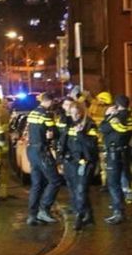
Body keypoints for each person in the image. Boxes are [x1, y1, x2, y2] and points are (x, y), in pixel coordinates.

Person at [25, 91, 62, 225]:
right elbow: (54, 132)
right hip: (42, 151)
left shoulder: (32, 113)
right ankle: (44, 210)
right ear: (49, 101)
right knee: (55, 181)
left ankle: (32, 215)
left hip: (31, 150)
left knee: (37, 184)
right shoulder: (46, 115)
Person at [64, 99, 99, 230]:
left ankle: (80, 216)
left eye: (77, 114)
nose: (74, 117)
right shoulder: (70, 124)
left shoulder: (90, 125)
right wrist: (62, 156)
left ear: (81, 113)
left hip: (86, 163)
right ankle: (89, 216)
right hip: (72, 162)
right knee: (75, 190)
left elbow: (91, 146)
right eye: (72, 114)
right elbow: (65, 141)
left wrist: (81, 134)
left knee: (81, 190)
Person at [101, 94, 131, 224]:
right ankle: (120, 206)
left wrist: (108, 115)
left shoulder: (116, 117)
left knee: (113, 183)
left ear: (116, 105)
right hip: (125, 151)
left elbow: (102, 128)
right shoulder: (129, 116)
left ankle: (118, 212)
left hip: (114, 153)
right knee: (124, 178)